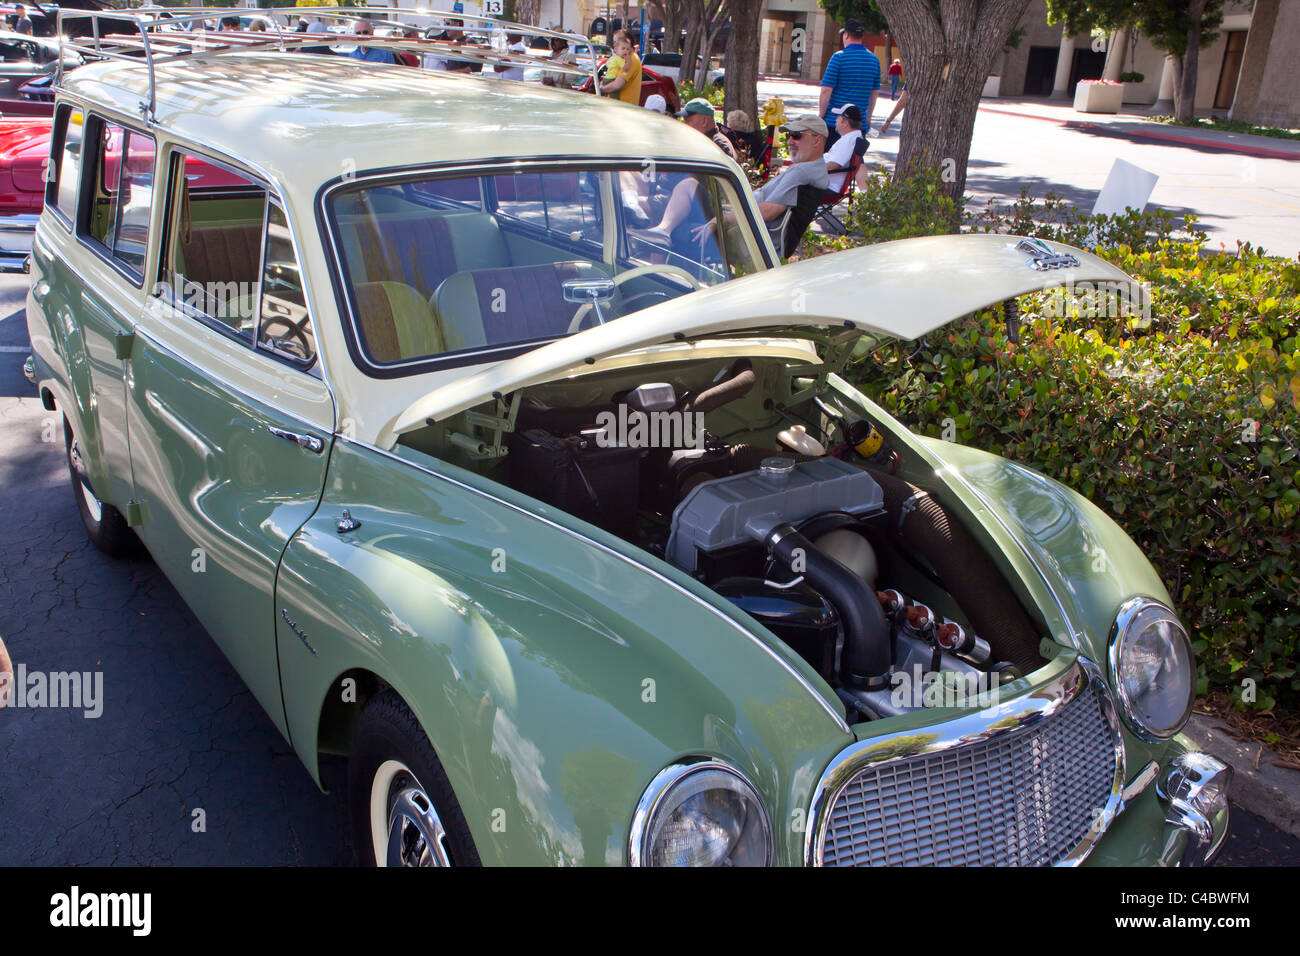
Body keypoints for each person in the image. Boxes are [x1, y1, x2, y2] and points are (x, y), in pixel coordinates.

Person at [752, 115, 829, 224]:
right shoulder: (818, 168)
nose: (789, 141)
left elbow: (767, 212)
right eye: (789, 135)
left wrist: (724, 219)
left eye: (797, 136)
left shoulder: (801, 171)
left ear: (817, 140)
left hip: (750, 232)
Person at [819, 19, 880, 146]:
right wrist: (868, 117)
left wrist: (821, 115)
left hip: (835, 122)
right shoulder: (874, 60)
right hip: (859, 123)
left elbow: (826, 90)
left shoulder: (838, 57)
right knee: (853, 162)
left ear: (846, 35)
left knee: (831, 161)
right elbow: (874, 93)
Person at [823, 103, 865, 192]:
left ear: (845, 123)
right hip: (825, 184)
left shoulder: (848, 140)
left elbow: (834, 165)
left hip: (828, 186)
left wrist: (809, 169)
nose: (836, 120)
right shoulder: (852, 137)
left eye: (838, 117)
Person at [600, 29, 642, 105]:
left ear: (627, 42)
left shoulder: (630, 59)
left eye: (617, 42)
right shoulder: (621, 58)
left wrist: (601, 88)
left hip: (623, 109)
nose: (614, 45)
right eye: (614, 42)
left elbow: (616, 85)